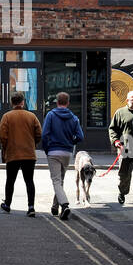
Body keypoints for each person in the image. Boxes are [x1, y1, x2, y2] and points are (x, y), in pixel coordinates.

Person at [0, 92, 41, 217]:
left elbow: (2, 135)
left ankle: (7, 204)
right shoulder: (31, 116)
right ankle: (31, 207)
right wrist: (32, 144)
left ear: (12, 103)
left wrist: (7, 146)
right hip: (28, 153)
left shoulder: (7, 116)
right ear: (23, 102)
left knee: (10, 180)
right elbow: (39, 134)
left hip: (13, 153)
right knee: (29, 181)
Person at [41, 91, 83, 219]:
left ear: (57, 102)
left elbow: (44, 135)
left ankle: (64, 205)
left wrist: (46, 148)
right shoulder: (74, 118)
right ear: (68, 103)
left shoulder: (51, 115)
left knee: (56, 180)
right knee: (60, 180)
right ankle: (55, 207)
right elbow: (80, 137)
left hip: (53, 151)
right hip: (66, 152)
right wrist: (71, 142)